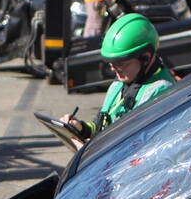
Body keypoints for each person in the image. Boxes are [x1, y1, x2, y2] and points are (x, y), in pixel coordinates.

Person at [62, 14, 175, 144]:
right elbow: (102, 127)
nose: (113, 69)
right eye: (111, 63)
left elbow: (141, 147)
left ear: (145, 57)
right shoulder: (119, 85)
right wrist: (81, 128)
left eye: (120, 63)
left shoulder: (161, 91)